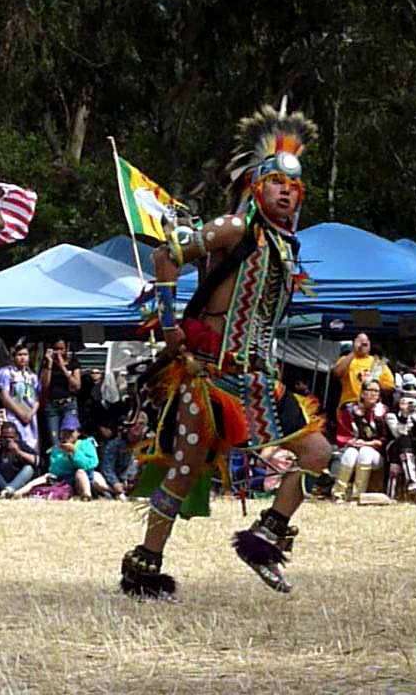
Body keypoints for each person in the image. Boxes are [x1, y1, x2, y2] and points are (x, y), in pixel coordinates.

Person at [120, 102, 331, 597]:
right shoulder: (235, 230)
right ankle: (144, 566)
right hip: (210, 376)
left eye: (294, 187)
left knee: (318, 452)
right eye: (277, 182)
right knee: (184, 470)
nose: (286, 192)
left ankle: (264, 537)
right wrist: (170, 327)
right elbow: (166, 253)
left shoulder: (286, 248)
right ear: (256, 185)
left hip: (259, 378)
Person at [332, 380, 387, 503]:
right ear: (362, 393)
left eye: (376, 391)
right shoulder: (351, 410)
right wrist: (351, 441)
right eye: (370, 390)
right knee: (350, 453)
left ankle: (358, 495)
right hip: (354, 447)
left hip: (374, 453)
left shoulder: (382, 411)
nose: (373, 394)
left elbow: (384, 439)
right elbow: (343, 434)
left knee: (365, 452)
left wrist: (368, 443)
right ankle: (338, 493)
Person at [385, 376, 416, 497]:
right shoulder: (391, 415)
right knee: (403, 441)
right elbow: (398, 433)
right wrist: (404, 415)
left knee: (404, 448)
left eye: (413, 399)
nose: (411, 403)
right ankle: (412, 480)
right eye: (407, 400)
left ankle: (393, 493)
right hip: (395, 445)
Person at [0, 344, 40, 454]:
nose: (23, 358)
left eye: (25, 354)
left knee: (31, 444)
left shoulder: (32, 376)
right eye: (19, 355)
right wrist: (20, 413)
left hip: (30, 417)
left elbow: (37, 398)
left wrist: (31, 413)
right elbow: (5, 397)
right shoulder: (6, 372)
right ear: (13, 357)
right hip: (14, 415)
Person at [331, 333, 396, 408]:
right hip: (350, 404)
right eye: (360, 341)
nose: (363, 343)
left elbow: (390, 388)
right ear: (354, 343)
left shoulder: (378, 363)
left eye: (366, 341)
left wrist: (373, 386)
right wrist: (354, 352)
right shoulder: (346, 359)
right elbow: (336, 375)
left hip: (372, 406)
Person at [39, 339, 81, 450]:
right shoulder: (47, 363)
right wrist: (49, 364)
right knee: (55, 440)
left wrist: (63, 367)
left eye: (61, 349)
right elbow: (44, 385)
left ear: (66, 349)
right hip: (52, 405)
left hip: (69, 404)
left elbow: (77, 385)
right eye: (55, 349)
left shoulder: (73, 362)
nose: (58, 352)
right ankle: (58, 463)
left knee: (70, 437)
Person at [0, 421, 36, 497]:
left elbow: (37, 461)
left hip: (16, 484)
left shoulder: (21, 445)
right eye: (5, 437)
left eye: (11, 437)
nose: (8, 440)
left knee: (29, 468)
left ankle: (8, 491)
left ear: (16, 436)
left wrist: (19, 452)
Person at [98, 411, 146, 500]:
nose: (137, 426)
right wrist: (115, 483)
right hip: (114, 484)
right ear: (127, 425)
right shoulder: (115, 444)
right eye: (134, 423)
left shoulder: (148, 445)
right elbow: (107, 467)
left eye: (141, 423)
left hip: (138, 486)